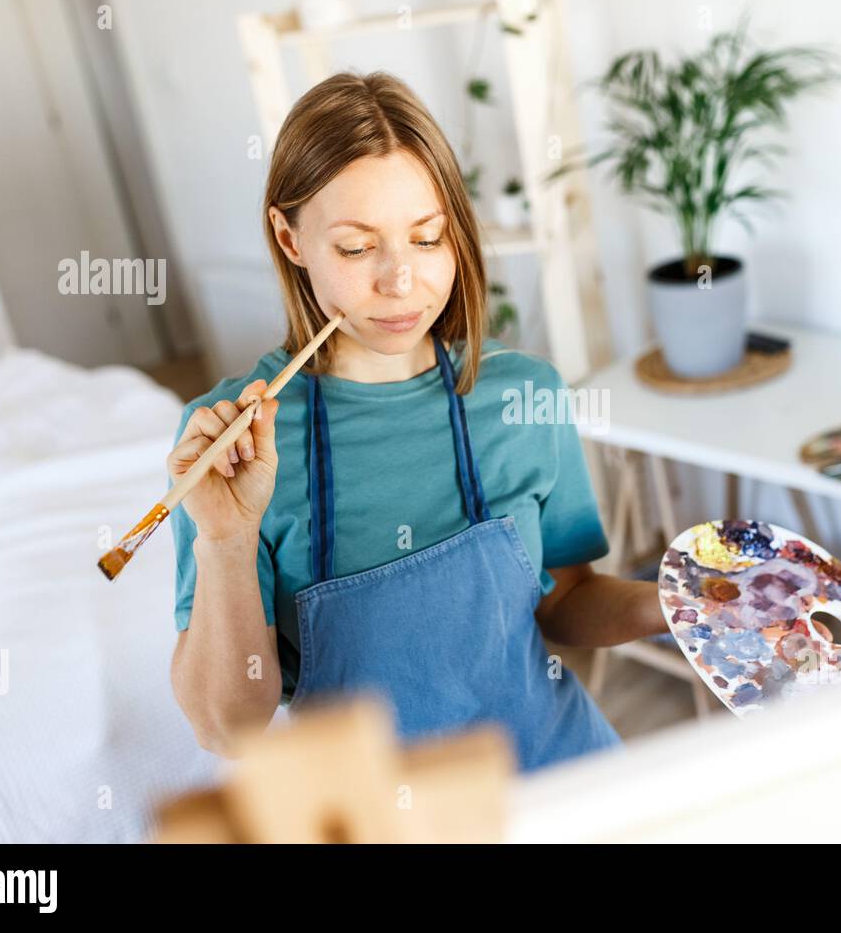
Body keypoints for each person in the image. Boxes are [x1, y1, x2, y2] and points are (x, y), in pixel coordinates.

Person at [166, 72, 665, 772]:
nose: (401, 281)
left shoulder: (525, 395)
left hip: (562, 779)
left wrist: (674, 605)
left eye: (427, 239)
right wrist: (225, 538)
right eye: (356, 247)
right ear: (289, 238)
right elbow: (228, 728)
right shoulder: (234, 446)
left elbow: (567, 597)